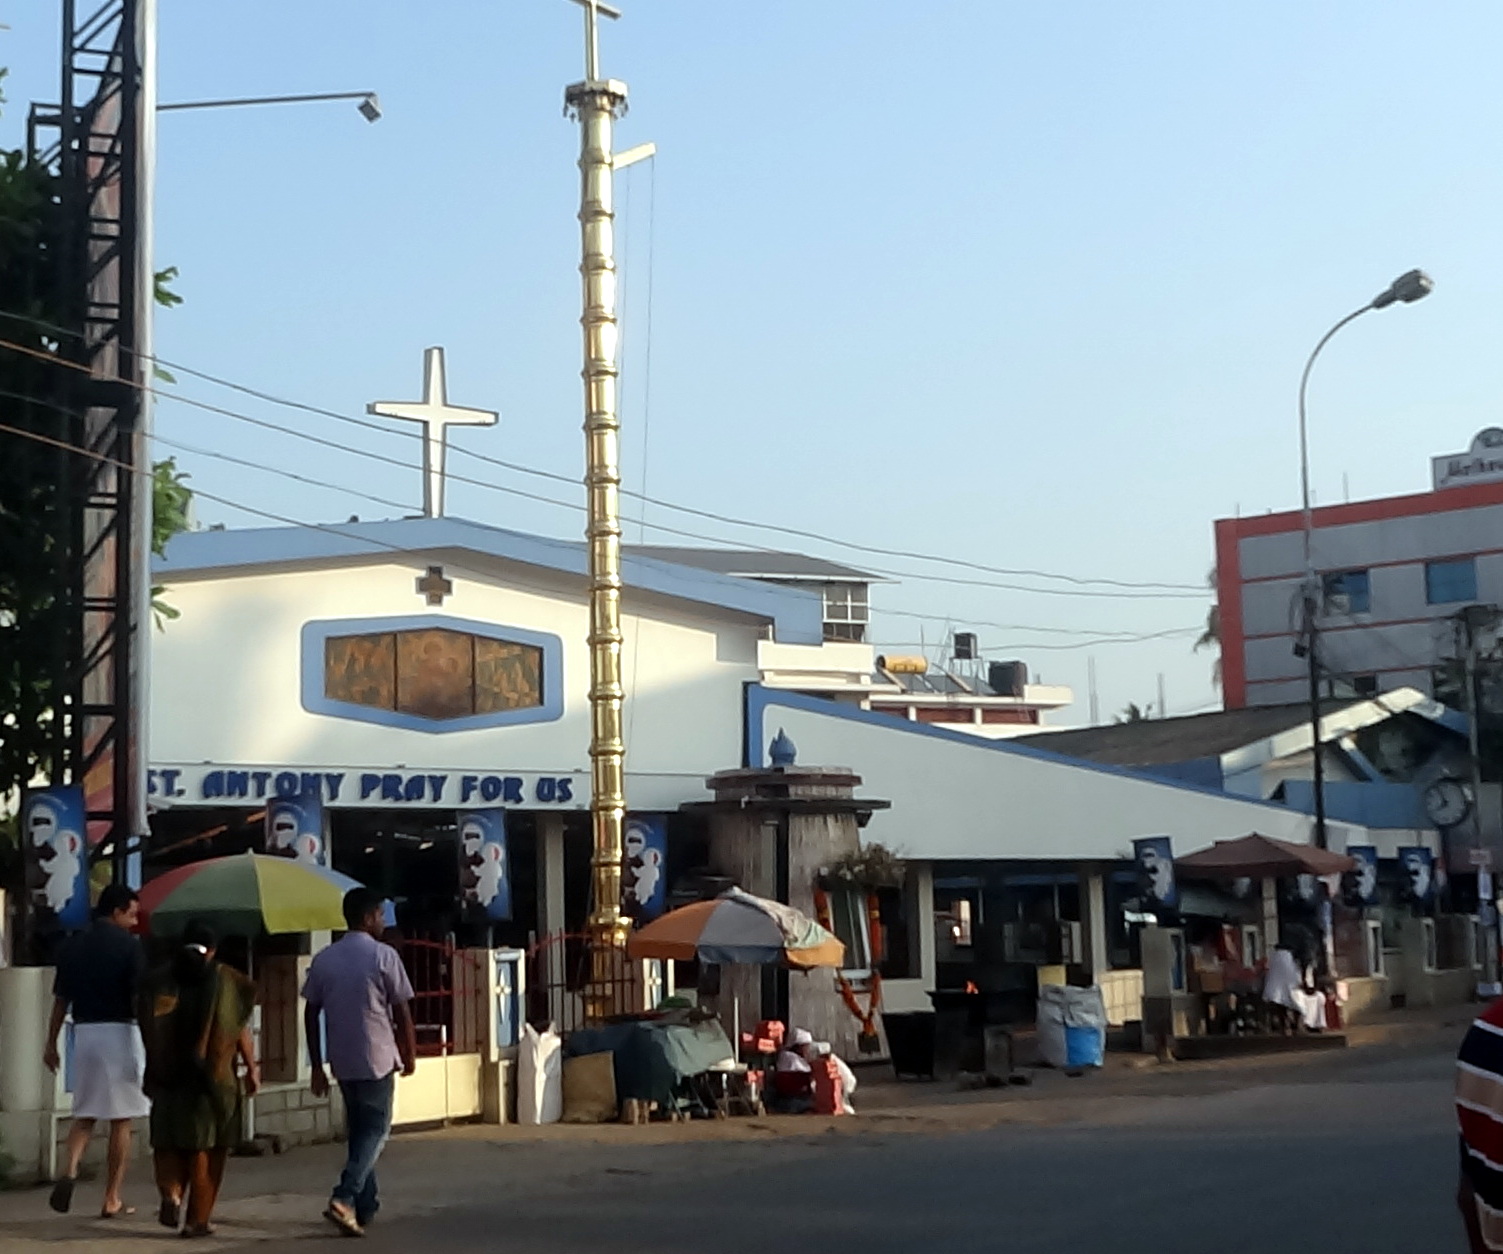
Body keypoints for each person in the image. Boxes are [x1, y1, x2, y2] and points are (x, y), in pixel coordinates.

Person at [303, 887, 417, 1237]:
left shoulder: (325, 959)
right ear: (368, 918)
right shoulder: (383, 956)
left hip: (342, 1057)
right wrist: (409, 1052)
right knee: (376, 1130)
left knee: (359, 1132)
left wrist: (318, 1064)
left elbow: (311, 1012)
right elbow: (401, 1008)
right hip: (377, 1055)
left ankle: (366, 1205)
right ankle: (345, 1196)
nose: (383, 921)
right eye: (381, 915)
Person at [139, 921, 259, 1237]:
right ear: (213, 950)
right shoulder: (227, 980)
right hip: (211, 1080)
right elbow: (238, 1028)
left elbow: (146, 1025)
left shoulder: (157, 980)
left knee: (166, 1143)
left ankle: (171, 1192)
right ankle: (197, 1221)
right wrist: (252, 1068)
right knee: (207, 1148)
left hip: (166, 1076)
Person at [43, 883, 151, 1218]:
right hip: (121, 1033)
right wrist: (152, 1040)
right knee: (121, 1120)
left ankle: (70, 1168)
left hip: (85, 1035)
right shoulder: (130, 948)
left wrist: (50, 1043)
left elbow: (61, 999)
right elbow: (139, 998)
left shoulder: (72, 947)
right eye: (131, 914)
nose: (134, 922)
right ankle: (111, 1197)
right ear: (117, 911)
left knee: (85, 1114)